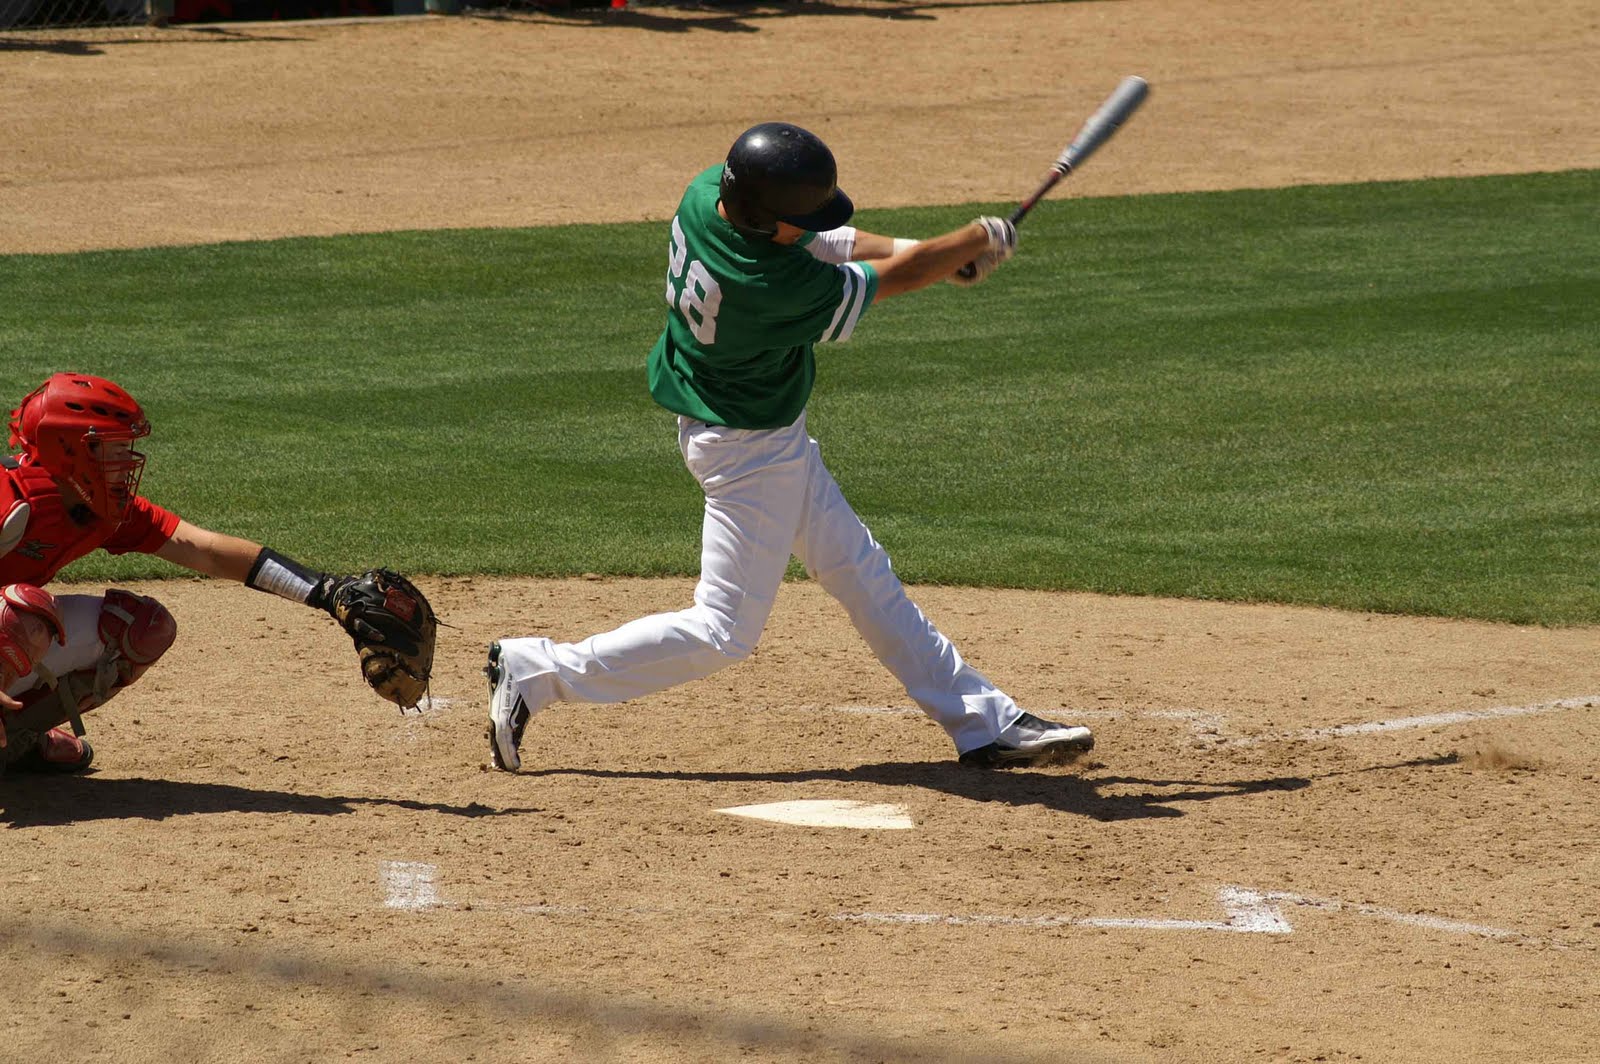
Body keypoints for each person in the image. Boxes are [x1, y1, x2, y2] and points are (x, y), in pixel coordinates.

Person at [485, 122, 1094, 772]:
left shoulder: (708, 197)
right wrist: (972, 241)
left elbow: (827, 239)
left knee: (863, 576)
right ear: (764, 217)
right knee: (722, 630)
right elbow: (890, 278)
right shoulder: (767, 286)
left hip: (745, 429)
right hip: (749, 452)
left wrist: (941, 254)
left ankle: (983, 722)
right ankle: (537, 672)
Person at [0, 371, 397, 773]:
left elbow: (204, 550)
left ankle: (15, 736)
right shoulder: (9, 498)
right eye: (112, 450)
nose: (125, 463)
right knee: (18, 617)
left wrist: (326, 592)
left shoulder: (102, 512)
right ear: (69, 451)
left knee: (140, 627)